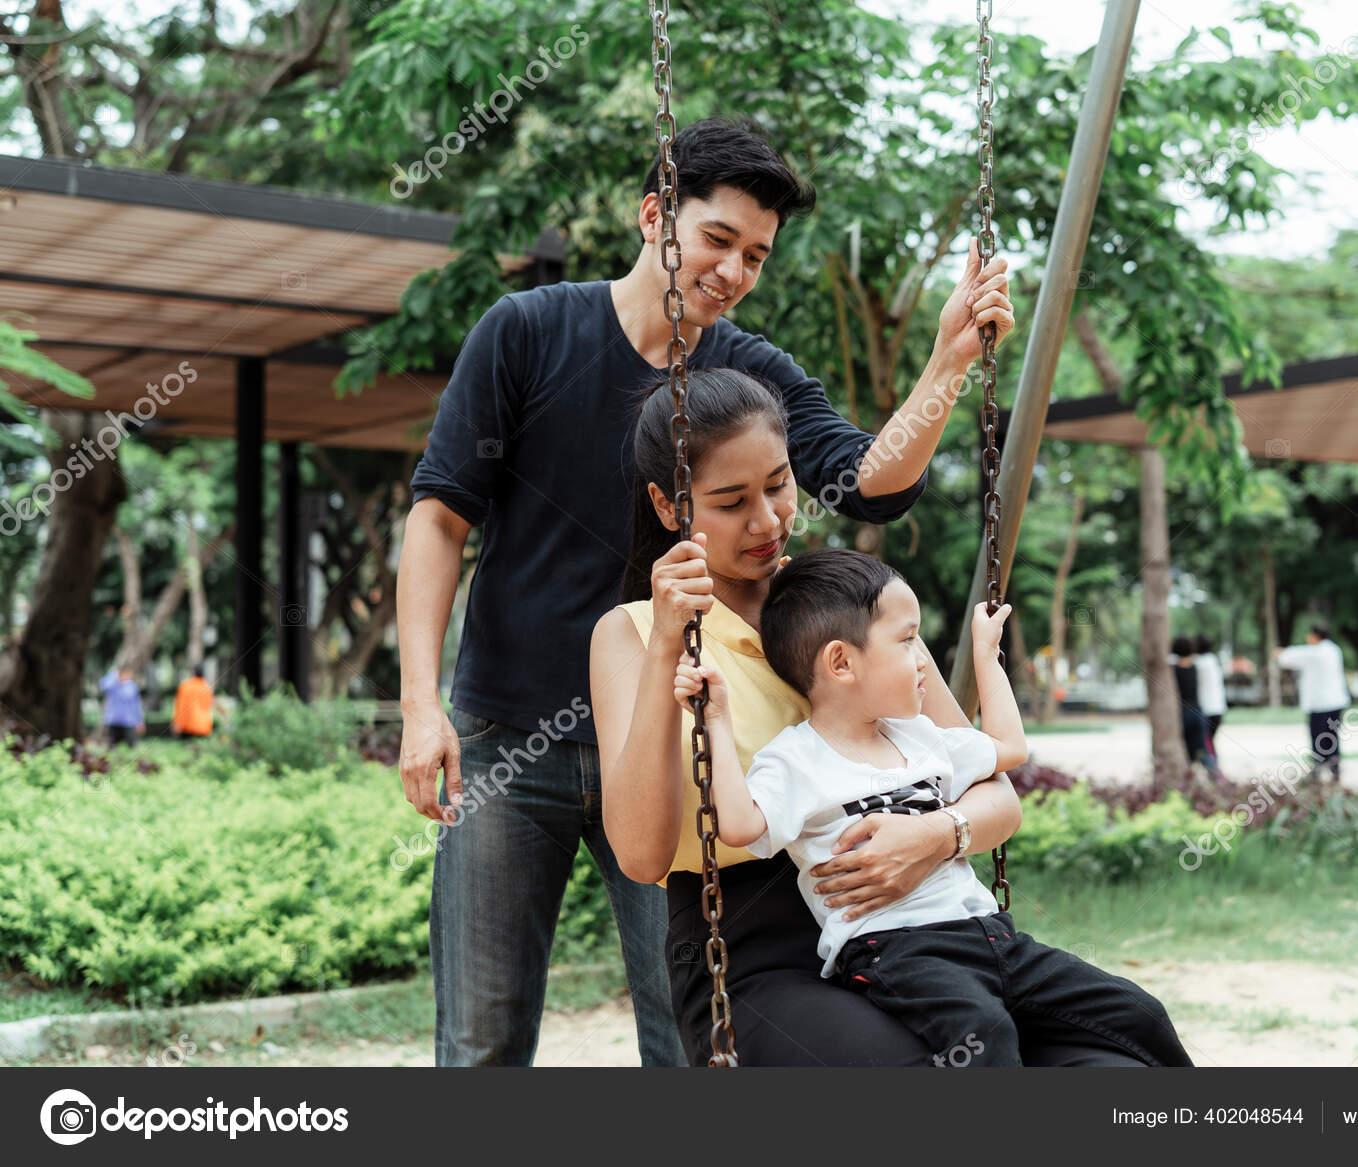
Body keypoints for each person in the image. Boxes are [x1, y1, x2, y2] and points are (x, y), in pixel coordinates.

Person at [397, 117, 1014, 1066]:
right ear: (656, 216)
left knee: (692, 1040)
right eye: (718, 239)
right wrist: (418, 704)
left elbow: (866, 484)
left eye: (756, 255)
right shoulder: (526, 331)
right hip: (507, 736)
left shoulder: (749, 375)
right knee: (479, 1036)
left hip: (669, 740)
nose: (732, 270)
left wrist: (946, 365)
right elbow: (440, 516)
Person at [592, 370, 1175, 1067]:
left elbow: (994, 794)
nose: (767, 520)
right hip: (752, 946)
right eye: (729, 501)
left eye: (778, 485)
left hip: (923, 926)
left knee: (1120, 1053)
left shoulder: (848, 604)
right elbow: (640, 855)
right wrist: (665, 645)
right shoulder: (632, 635)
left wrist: (934, 834)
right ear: (668, 504)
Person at [672, 548, 1193, 1067]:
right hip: (896, 951)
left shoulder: (918, 736)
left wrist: (988, 657)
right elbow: (739, 826)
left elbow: (1008, 748)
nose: (922, 658)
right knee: (986, 1041)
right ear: (840, 663)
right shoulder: (794, 759)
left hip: (990, 936)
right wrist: (714, 721)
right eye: (906, 641)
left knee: (1136, 1012)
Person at [1277, 623, 1351, 781]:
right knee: (1332, 736)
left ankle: (1320, 767)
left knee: (1318, 736)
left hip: (1321, 704)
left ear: (1315, 635)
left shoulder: (1317, 652)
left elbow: (1288, 658)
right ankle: (1334, 766)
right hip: (1336, 702)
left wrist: (1281, 653)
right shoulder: (1334, 650)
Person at [1170, 637, 1217, 778]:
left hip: (1183, 714)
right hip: (1198, 712)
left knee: (1185, 752)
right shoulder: (1195, 667)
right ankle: (1214, 778)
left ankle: (1188, 780)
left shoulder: (1174, 670)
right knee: (1202, 750)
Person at [1194, 634, 1228, 752]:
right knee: (1209, 742)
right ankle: (1213, 765)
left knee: (1206, 743)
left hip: (1206, 709)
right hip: (1218, 708)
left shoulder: (1199, 663)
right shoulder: (1213, 660)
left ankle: (1213, 767)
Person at [98, 664, 144, 747]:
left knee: (131, 745)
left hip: (128, 722)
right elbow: (103, 686)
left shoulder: (132, 686)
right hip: (113, 720)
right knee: (111, 746)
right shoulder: (112, 684)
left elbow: (136, 705)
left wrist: (140, 721)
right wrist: (113, 675)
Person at [171, 665, 214, 739]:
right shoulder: (207, 687)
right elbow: (210, 706)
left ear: (193, 673)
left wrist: (176, 723)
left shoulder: (185, 686)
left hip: (187, 726)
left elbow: (179, 706)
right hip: (203, 727)